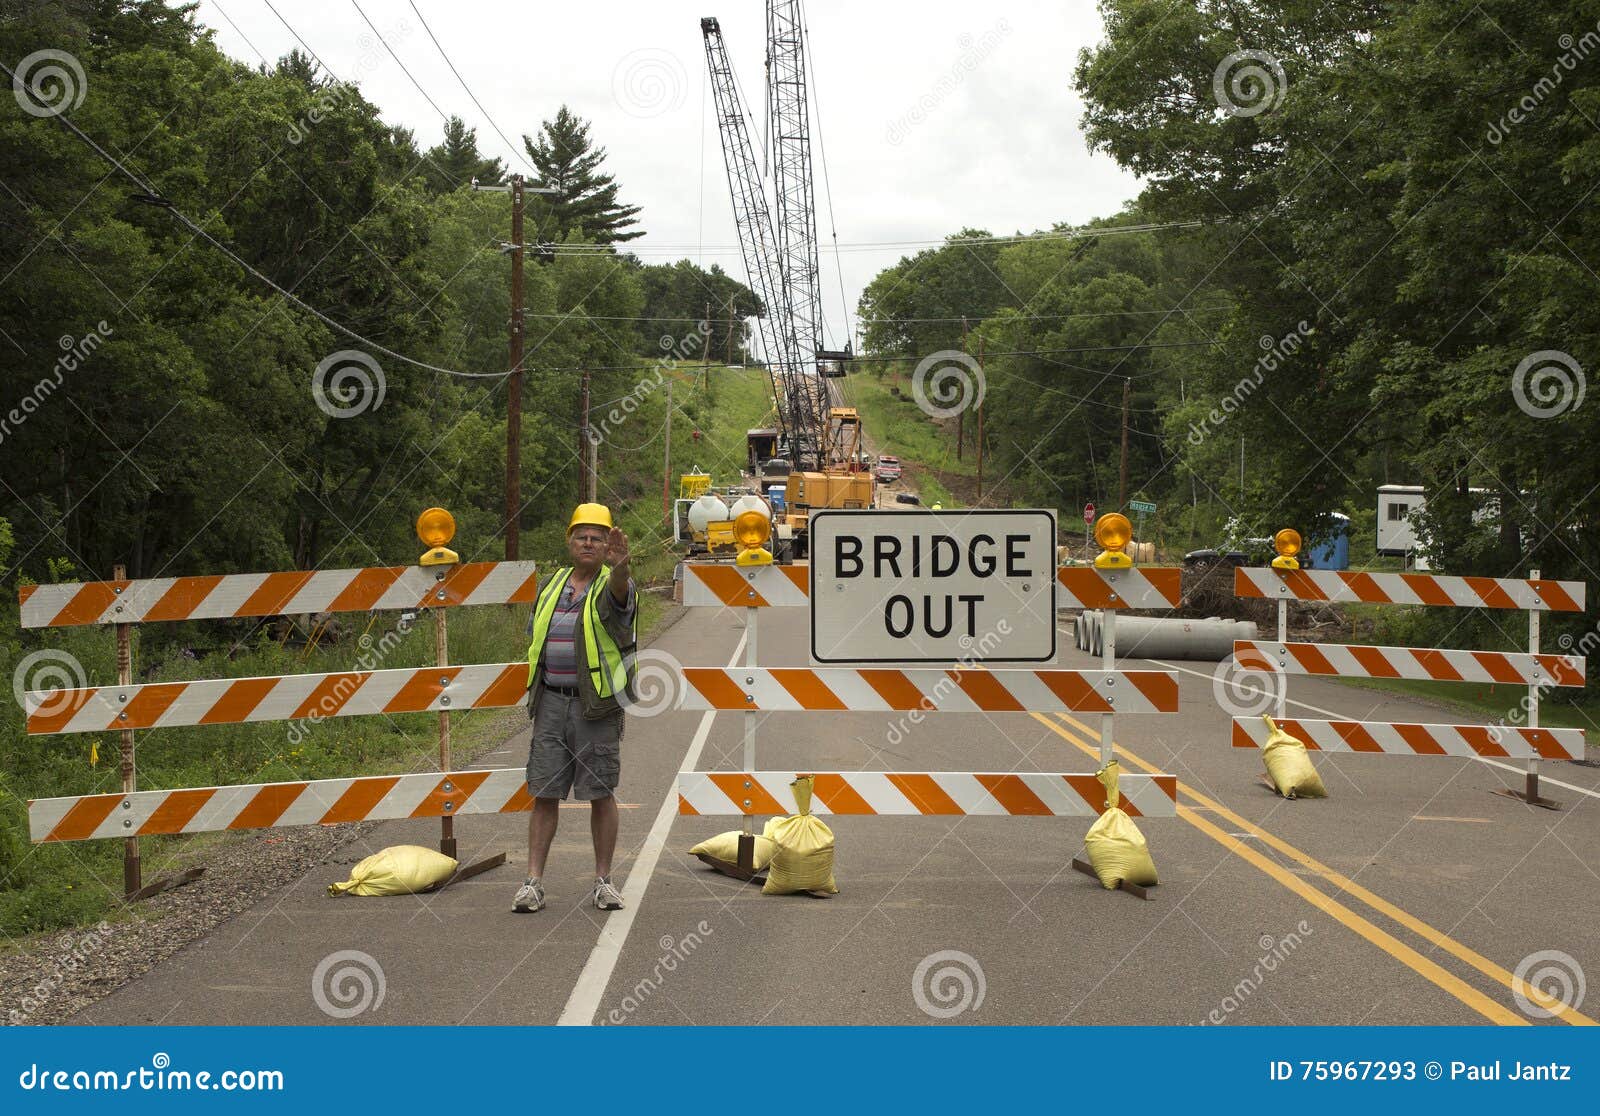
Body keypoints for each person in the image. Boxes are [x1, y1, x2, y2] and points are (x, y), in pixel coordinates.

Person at [514, 503, 637, 913]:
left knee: (600, 793)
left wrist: (621, 567)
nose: (589, 542)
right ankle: (533, 883)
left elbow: (620, 596)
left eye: (597, 537)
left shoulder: (613, 584)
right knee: (544, 793)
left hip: (595, 708)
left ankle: (604, 882)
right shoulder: (553, 583)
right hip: (549, 702)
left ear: (607, 546)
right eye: (582, 536)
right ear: (569, 541)